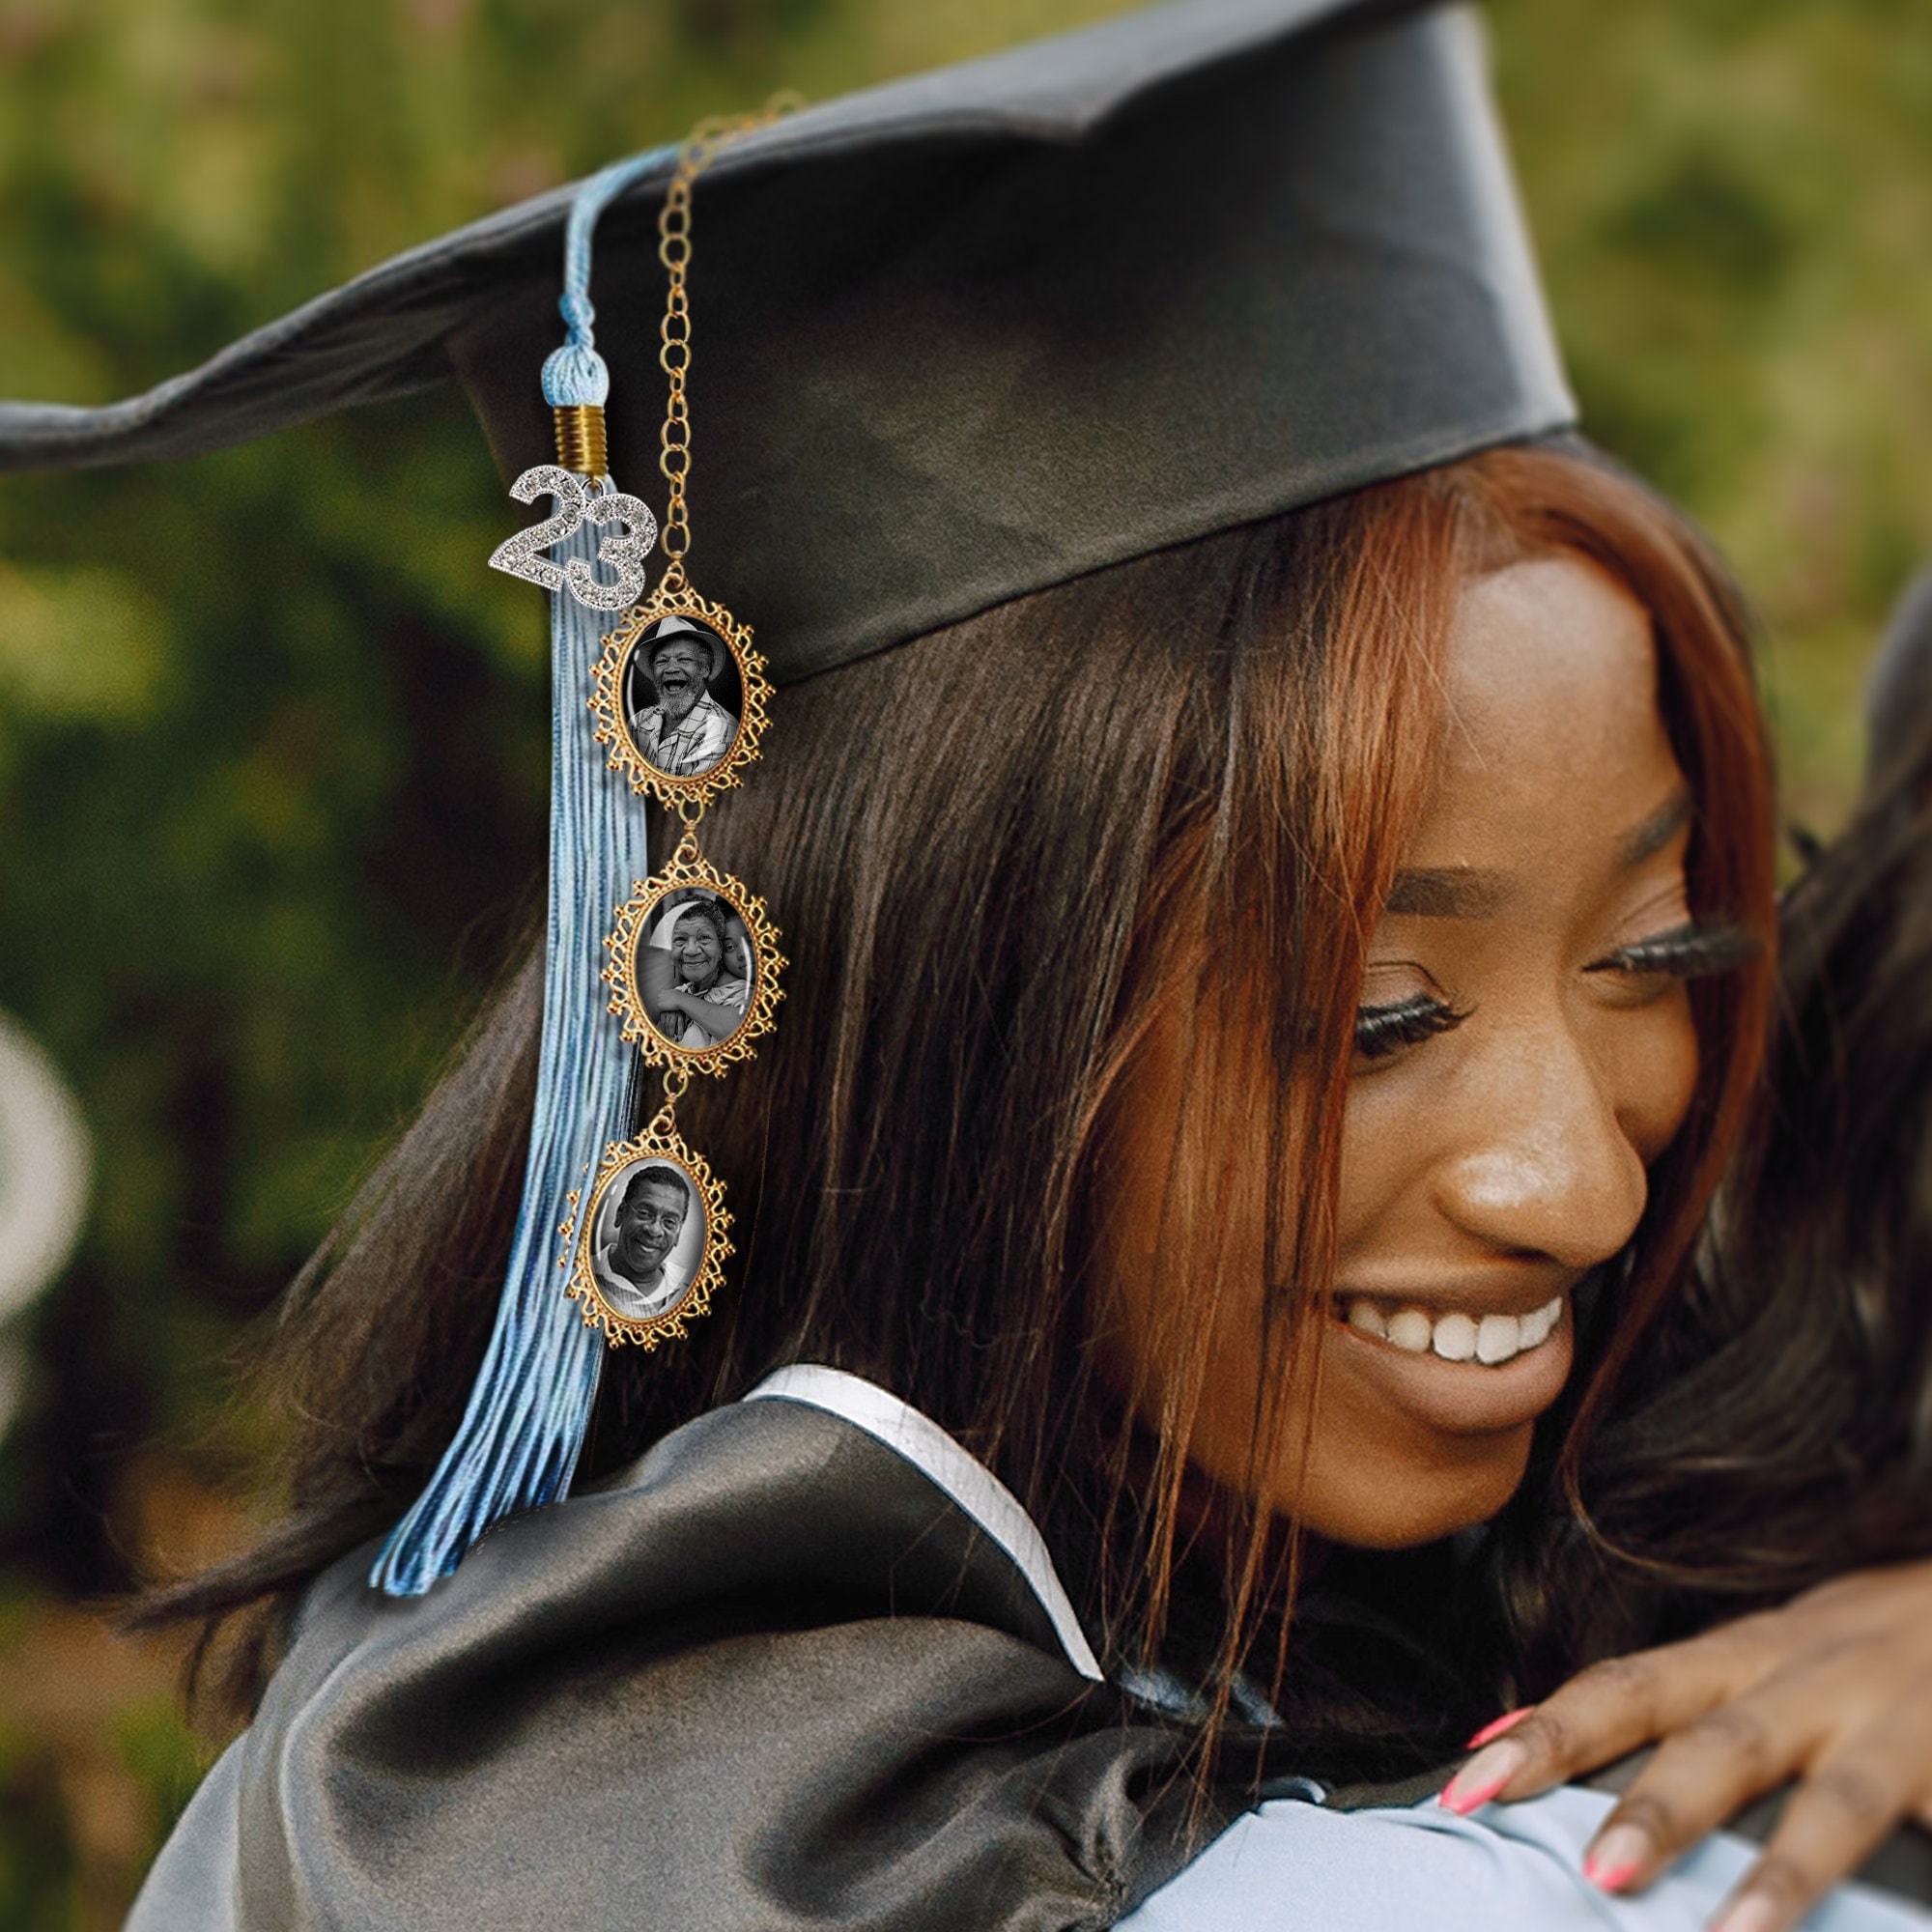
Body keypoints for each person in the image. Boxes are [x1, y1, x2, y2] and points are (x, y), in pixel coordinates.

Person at [5, 4, 1932, 1928]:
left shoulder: (1500, 1605)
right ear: (911, 1022)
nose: (1579, 1180)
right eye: (1380, 1018)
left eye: (1657, 950)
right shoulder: (629, 1839)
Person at [629, 617, 738, 779]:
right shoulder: (640, 720)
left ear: (705, 670)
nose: (671, 668)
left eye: (684, 659)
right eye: (662, 661)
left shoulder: (722, 732)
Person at [592, 1161, 696, 1321]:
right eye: (645, 1213)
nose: (654, 1230)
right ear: (621, 1214)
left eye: (669, 1222)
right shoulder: (584, 1280)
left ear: (678, 1234)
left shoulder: (690, 1296)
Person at [645, 897, 750, 1049]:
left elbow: (742, 1028)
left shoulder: (743, 994)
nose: (691, 950)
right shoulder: (675, 996)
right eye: (680, 939)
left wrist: (681, 1000)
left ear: (720, 947)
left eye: (704, 938)